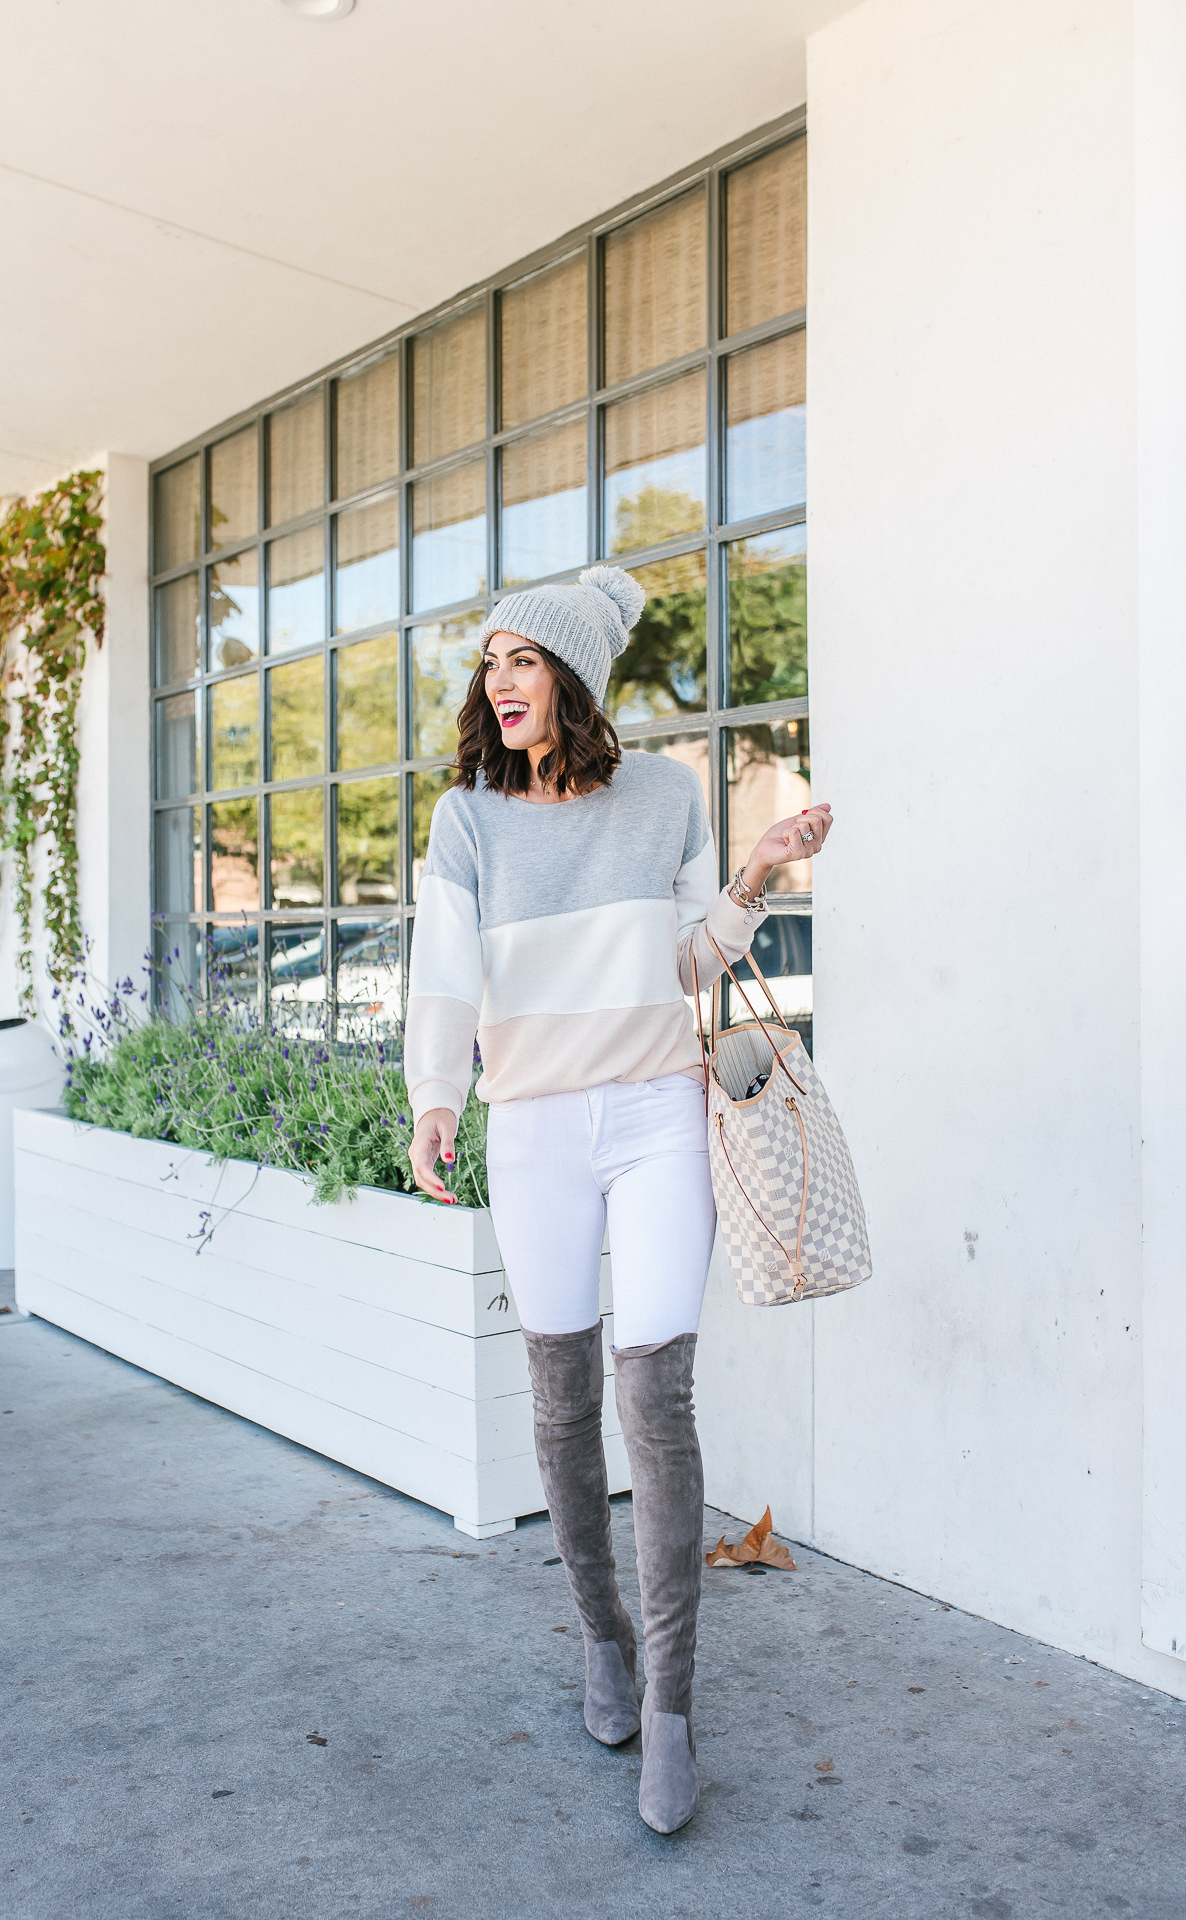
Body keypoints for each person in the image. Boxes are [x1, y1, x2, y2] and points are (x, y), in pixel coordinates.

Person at [405, 566, 832, 1834]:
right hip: (532, 1128)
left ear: (574, 675)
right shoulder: (466, 817)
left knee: (654, 1396)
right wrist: (438, 1094)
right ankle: (602, 1643)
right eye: (489, 664)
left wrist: (754, 871)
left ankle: (673, 1714)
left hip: (656, 1118)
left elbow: (687, 959)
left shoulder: (666, 796)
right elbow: (442, 973)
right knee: (558, 1398)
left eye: (522, 660)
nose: (500, 683)